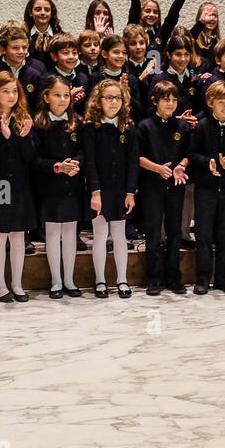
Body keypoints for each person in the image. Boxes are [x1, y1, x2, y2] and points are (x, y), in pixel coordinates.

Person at [0, 71, 36, 302]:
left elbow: (30, 156)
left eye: (14, 91)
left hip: (20, 184)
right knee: (0, 235)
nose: (11, 96)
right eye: (5, 91)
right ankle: (0, 285)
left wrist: (24, 137)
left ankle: (17, 284)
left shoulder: (23, 119)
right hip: (0, 184)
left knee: (18, 234)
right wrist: (3, 137)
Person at [83, 78, 138, 298]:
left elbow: (133, 162)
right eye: (108, 98)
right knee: (99, 235)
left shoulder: (129, 128)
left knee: (119, 234)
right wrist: (95, 191)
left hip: (121, 190)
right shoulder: (90, 128)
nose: (113, 102)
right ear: (99, 101)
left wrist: (130, 192)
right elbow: (90, 162)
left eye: (117, 98)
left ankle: (122, 280)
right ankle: (100, 281)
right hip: (99, 191)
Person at [31, 75, 85, 298]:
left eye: (66, 95)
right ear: (46, 97)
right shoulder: (39, 124)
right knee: (52, 233)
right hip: (49, 186)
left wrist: (76, 163)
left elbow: (84, 150)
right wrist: (56, 167)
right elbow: (34, 159)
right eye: (57, 95)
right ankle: (55, 281)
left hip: (72, 184)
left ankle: (69, 280)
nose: (62, 100)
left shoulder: (76, 122)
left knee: (71, 232)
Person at [136, 79, 191, 295]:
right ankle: (154, 278)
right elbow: (138, 156)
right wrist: (157, 168)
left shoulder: (182, 126)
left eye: (174, 100)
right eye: (165, 100)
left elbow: (188, 154)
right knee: (153, 232)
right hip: (152, 185)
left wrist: (181, 165)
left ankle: (174, 277)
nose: (170, 104)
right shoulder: (145, 126)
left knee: (174, 230)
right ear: (155, 101)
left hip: (175, 185)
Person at [188, 79, 225, 295]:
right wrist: (206, 162)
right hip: (205, 189)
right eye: (221, 102)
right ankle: (202, 279)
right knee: (203, 234)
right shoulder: (202, 126)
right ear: (211, 102)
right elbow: (192, 154)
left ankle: (223, 278)